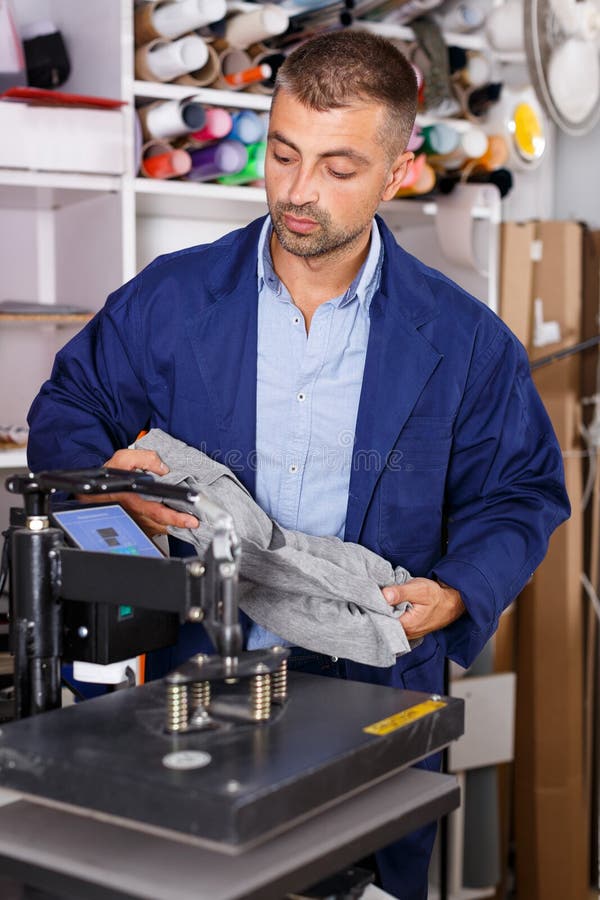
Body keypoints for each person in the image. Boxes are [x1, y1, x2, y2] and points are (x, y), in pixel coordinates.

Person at [26, 30, 569, 900]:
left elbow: (520, 493)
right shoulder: (171, 298)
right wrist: (114, 483)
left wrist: (461, 590)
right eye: (283, 154)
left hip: (374, 696)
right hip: (193, 684)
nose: (298, 191)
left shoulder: (466, 341)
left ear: (398, 173)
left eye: (339, 167)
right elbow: (66, 413)